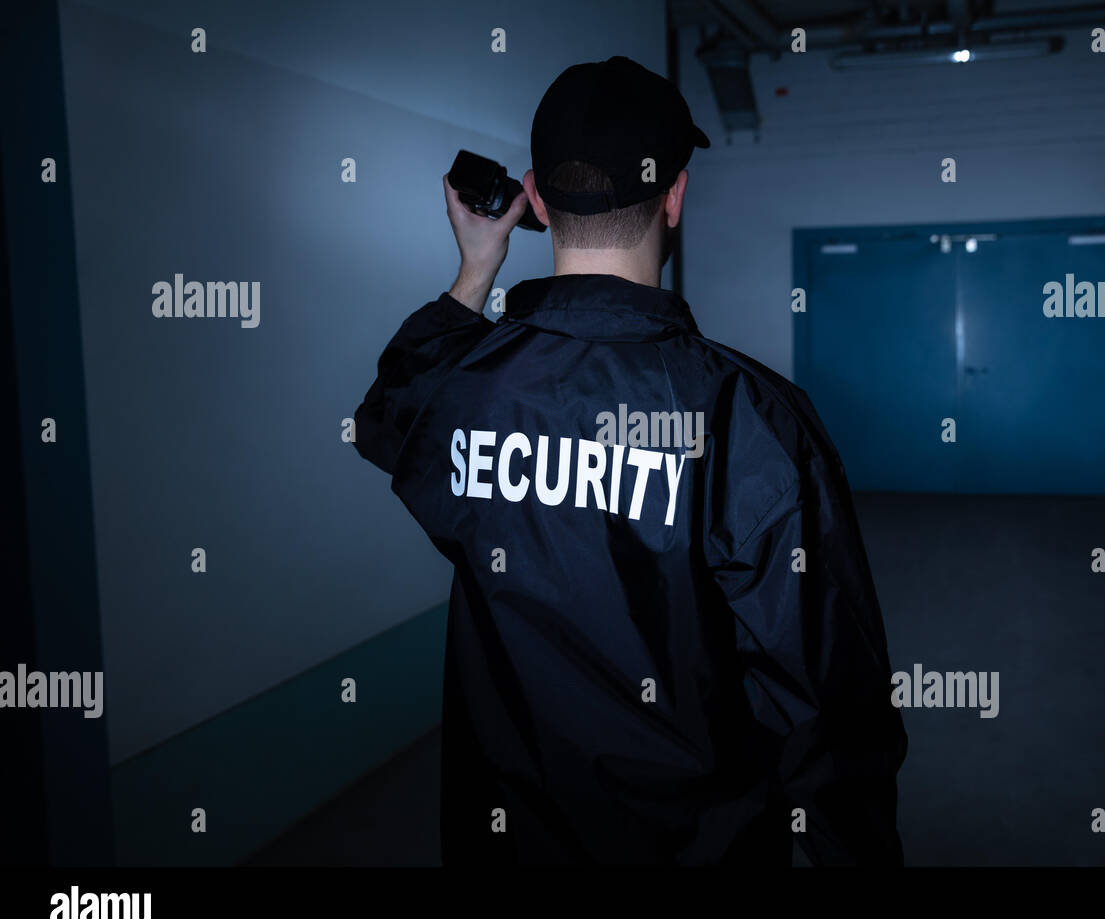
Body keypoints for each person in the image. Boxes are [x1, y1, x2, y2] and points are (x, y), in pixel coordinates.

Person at [353, 55, 906, 866]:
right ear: (675, 195)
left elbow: (383, 421)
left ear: (535, 197)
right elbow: (831, 709)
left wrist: (476, 270)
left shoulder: (462, 387)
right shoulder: (748, 416)